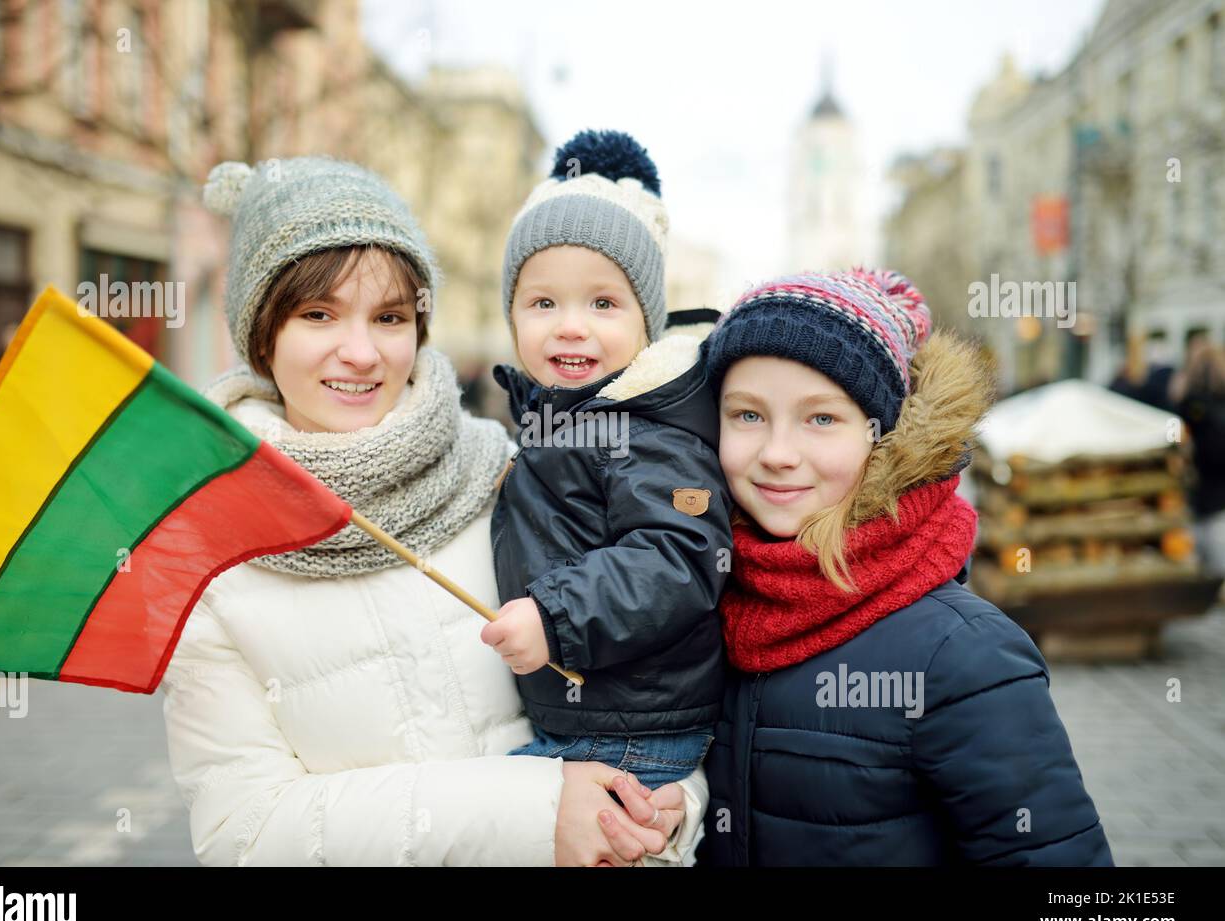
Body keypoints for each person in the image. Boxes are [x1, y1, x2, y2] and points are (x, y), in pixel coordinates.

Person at [160, 155, 707, 866]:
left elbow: (652, 658)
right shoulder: (214, 556)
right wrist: (541, 813)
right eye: (317, 314)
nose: (359, 352)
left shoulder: (509, 471)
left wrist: (677, 802)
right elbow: (247, 833)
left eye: (388, 316)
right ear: (261, 335)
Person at [694, 270, 1113, 865]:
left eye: (821, 419)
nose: (777, 454)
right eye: (747, 415)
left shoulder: (964, 655)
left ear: (884, 439)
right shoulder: (695, 598)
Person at [484, 130, 731, 790]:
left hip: (634, 736)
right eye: (543, 303)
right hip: (585, 721)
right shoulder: (559, 420)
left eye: (603, 303)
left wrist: (554, 619)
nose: (571, 325)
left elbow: (679, 555)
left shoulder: (650, 428)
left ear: (645, 323)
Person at [1175, 341, 1225, 577]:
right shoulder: (1192, 406)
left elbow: (1173, 435)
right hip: (1208, 502)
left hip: (1207, 502)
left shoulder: (1190, 404)